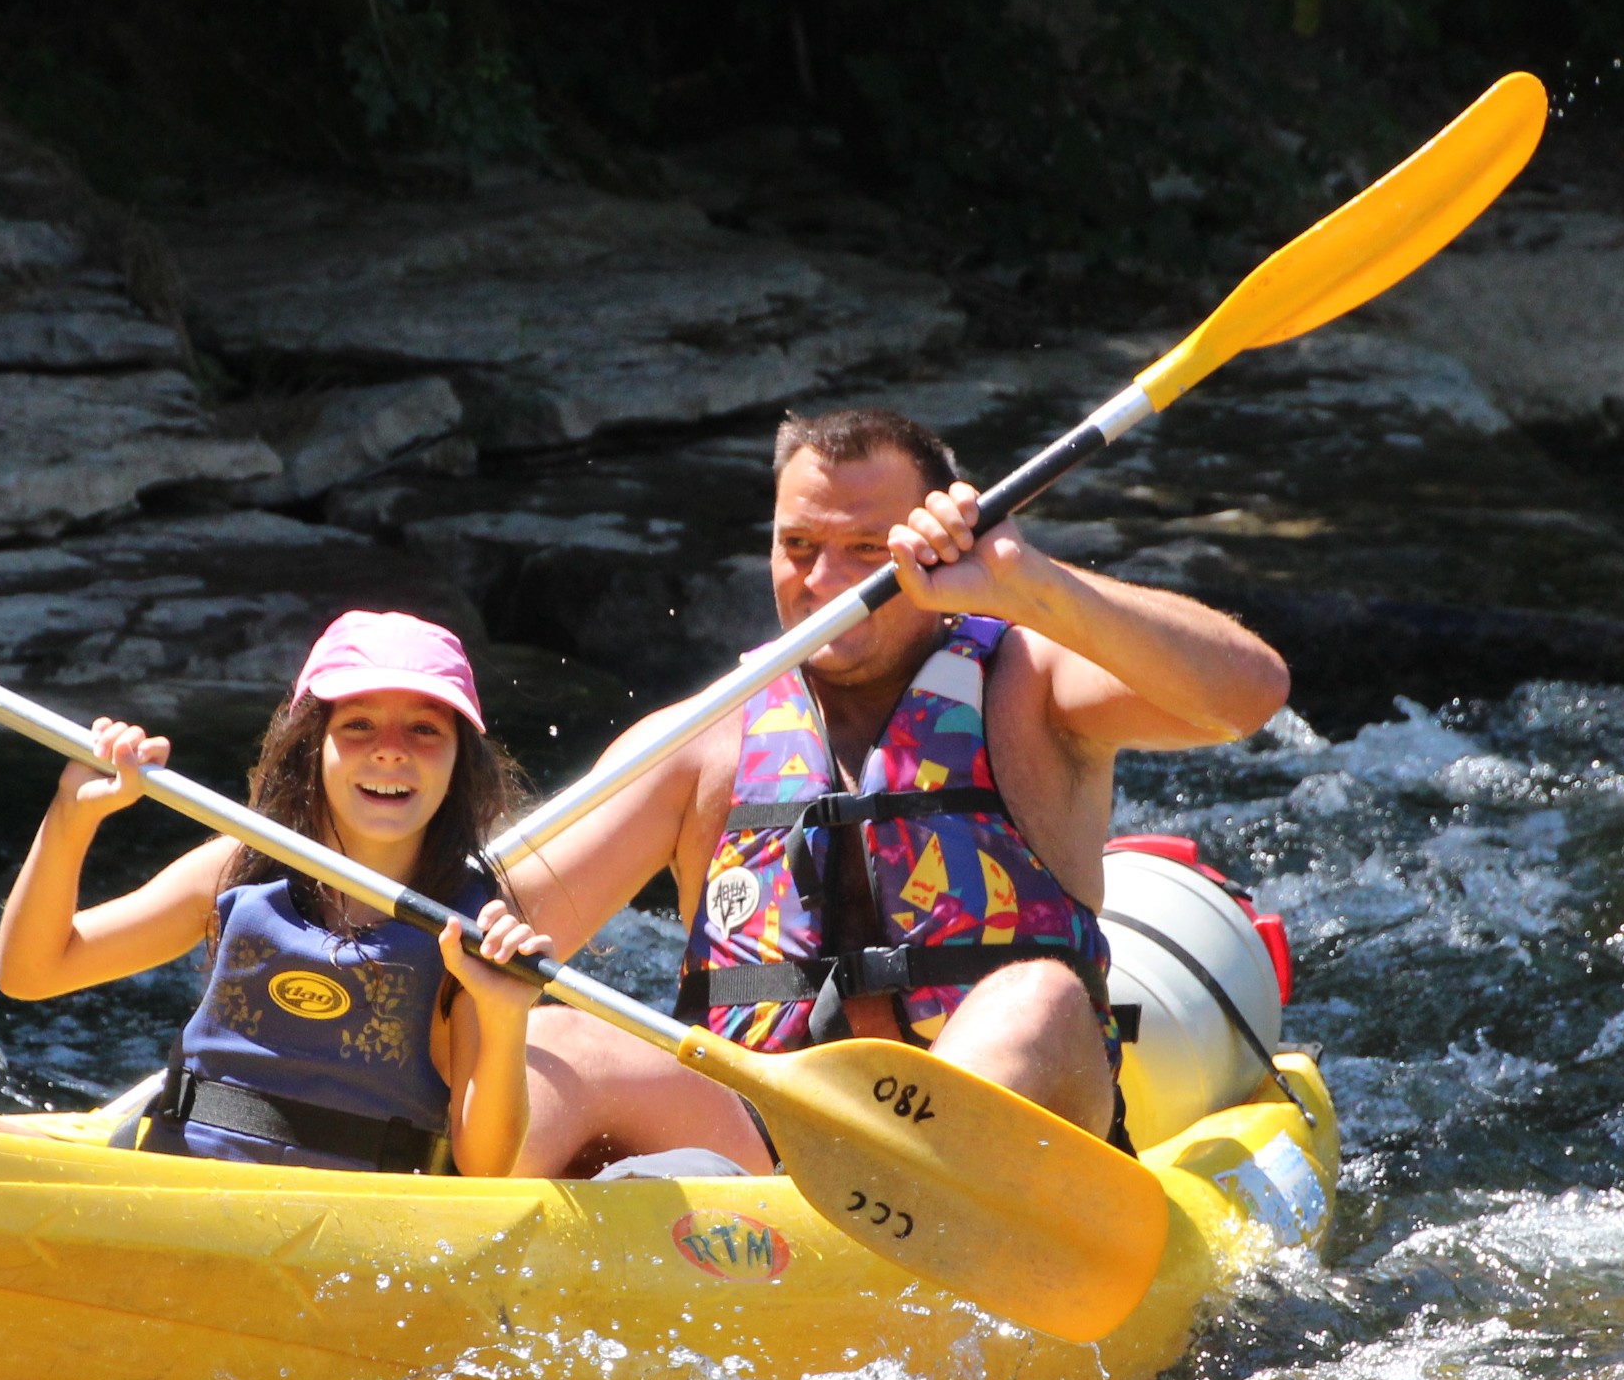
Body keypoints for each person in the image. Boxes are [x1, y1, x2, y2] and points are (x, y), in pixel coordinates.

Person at [502, 405, 1291, 1173]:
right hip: (761, 1162)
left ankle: (902, 1198)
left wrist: (1032, 585)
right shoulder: (703, 738)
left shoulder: (1028, 685)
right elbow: (497, 915)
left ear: (933, 549)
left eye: (865, 548)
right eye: (799, 544)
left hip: (994, 1162)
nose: (824, 581)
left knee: (1038, 1002)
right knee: (557, 1045)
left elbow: (1247, 695)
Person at [0, 610, 557, 1177]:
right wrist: (71, 819)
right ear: (312, 744)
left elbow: (485, 1167)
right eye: (357, 724)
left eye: (425, 729)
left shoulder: (473, 925)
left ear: (460, 762)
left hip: (348, 1220)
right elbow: (31, 973)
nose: (390, 749)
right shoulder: (241, 867)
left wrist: (506, 1016)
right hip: (179, 1181)